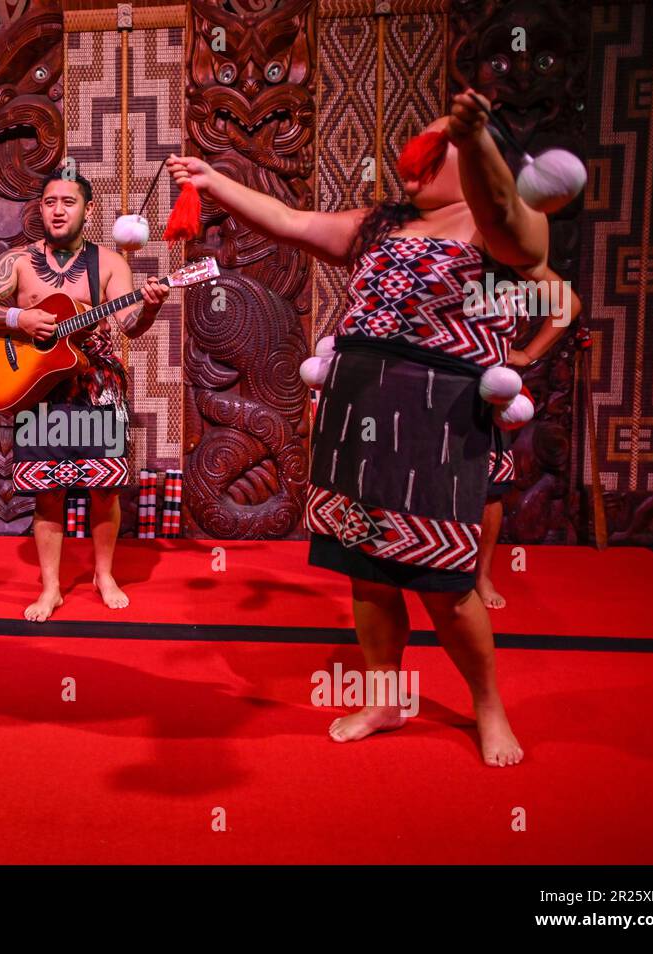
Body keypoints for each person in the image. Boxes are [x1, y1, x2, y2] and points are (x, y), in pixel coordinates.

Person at [167, 89, 546, 766]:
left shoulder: (499, 229)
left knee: (447, 586)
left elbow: (527, 237)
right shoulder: (381, 225)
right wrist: (213, 181)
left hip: (440, 413)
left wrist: (480, 137)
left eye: (443, 147)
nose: (420, 161)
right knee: (366, 574)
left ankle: (488, 705)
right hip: (357, 404)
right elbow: (288, 219)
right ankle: (385, 697)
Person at [0, 171, 169, 621]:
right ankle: (52, 587)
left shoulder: (110, 263)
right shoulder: (16, 261)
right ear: (40, 209)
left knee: (103, 489)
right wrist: (19, 318)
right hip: (39, 393)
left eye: (68, 201)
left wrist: (150, 304)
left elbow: (130, 323)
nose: (57, 209)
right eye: (49, 201)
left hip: (97, 387)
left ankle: (104, 574)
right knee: (47, 493)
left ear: (87, 210)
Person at [476, 268, 582, 609]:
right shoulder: (440, 257)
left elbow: (568, 304)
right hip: (430, 380)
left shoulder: (507, 272)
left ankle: (481, 575)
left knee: (490, 488)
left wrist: (528, 354)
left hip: (485, 384)